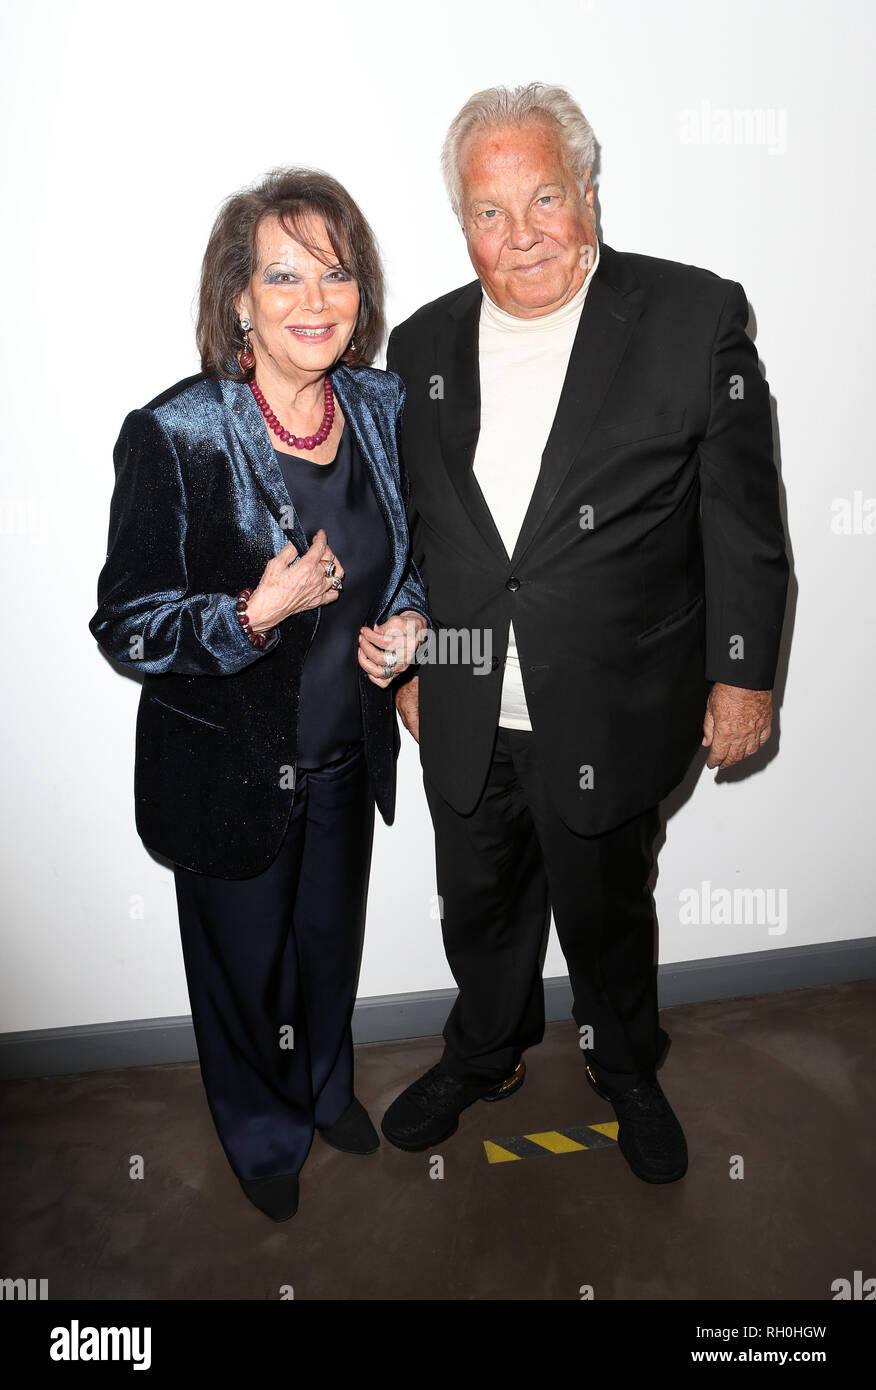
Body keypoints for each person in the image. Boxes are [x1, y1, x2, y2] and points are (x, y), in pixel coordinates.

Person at [381, 84, 789, 1184]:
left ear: (589, 193)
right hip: (468, 701)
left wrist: (742, 677)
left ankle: (626, 1068)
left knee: (609, 912)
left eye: (545, 197)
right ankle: (486, 1052)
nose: (522, 237)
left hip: (617, 700)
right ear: (460, 222)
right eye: (489, 212)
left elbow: (742, 518)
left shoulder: (693, 317)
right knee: (477, 904)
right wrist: (408, 669)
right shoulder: (417, 345)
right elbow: (402, 528)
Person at [89, 167, 428, 1221]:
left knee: (330, 949)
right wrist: (252, 613)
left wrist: (409, 626)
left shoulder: (379, 407)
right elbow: (127, 624)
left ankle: (327, 1091)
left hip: (346, 753)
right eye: (285, 276)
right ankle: (263, 1129)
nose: (315, 301)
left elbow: (403, 558)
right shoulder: (180, 431)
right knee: (246, 974)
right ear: (239, 297)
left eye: (336, 275)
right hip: (228, 768)